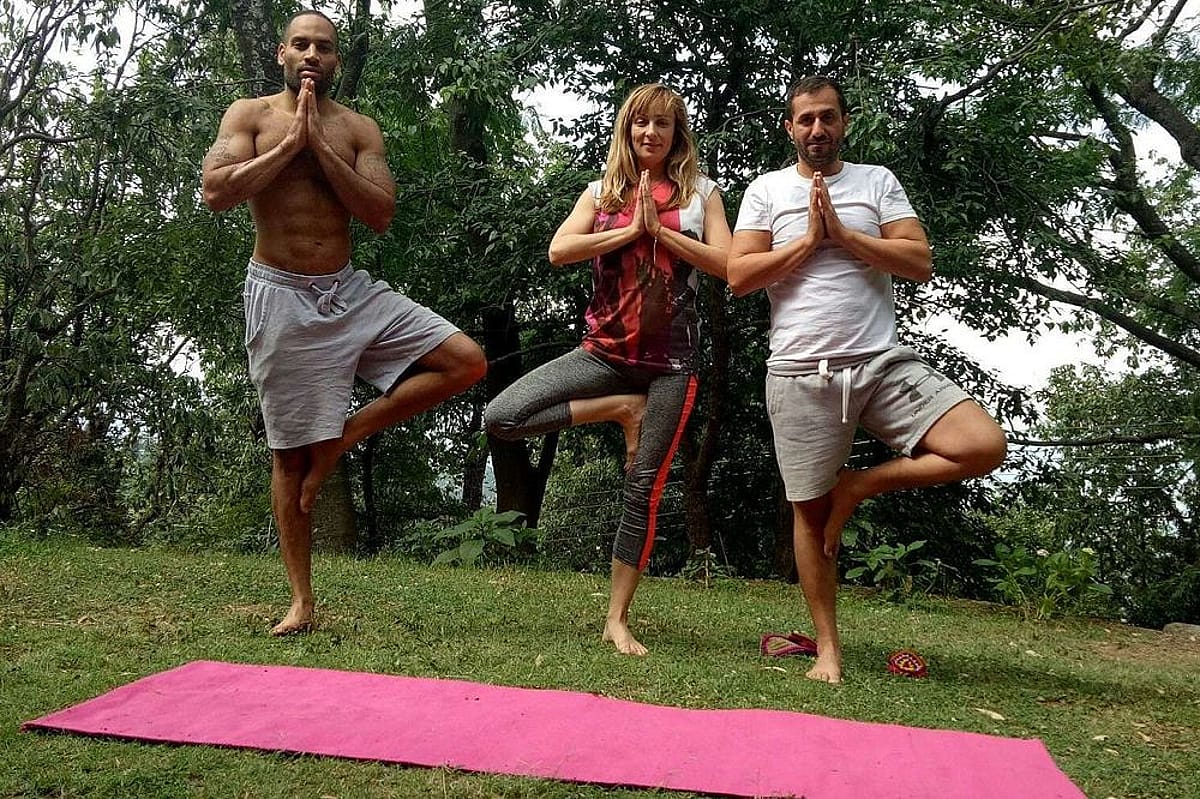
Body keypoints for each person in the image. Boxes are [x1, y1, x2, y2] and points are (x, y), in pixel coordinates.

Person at [201, 10, 487, 636]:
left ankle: (345, 437)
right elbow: (216, 191)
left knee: (466, 360)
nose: (311, 55)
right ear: (282, 53)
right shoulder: (247, 116)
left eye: (323, 48)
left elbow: (380, 211)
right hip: (280, 294)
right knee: (288, 456)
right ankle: (301, 599)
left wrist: (318, 147)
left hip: (350, 291)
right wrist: (287, 146)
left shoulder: (357, 129)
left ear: (336, 60)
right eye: (300, 44)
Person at [727, 76, 1007, 683]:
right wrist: (806, 241)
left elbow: (919, 262)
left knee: (982, 445)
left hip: (880, 362)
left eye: (827, 118)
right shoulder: (766, 190)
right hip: (799, 371)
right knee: (807, 511)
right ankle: (828, 648)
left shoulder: (877, 181)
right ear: (790, 128)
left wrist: (846, 236)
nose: (817, 130)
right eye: (805, 120)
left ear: (844, 123)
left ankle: (858, 485)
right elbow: (740, 275)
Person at [484, 84, 731, 656]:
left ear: (677, 134)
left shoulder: (702, 195)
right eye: (641, 123)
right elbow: (558, 250)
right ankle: (621, 410)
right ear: (627, 128)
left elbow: (730, 265)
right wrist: (629, 230)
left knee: (643, 486)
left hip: (672, 365)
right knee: (502, 415)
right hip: (602, 355)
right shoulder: (601, 192)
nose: (651, 133)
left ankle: (616, 617)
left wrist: (663, 231)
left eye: (663, 125)